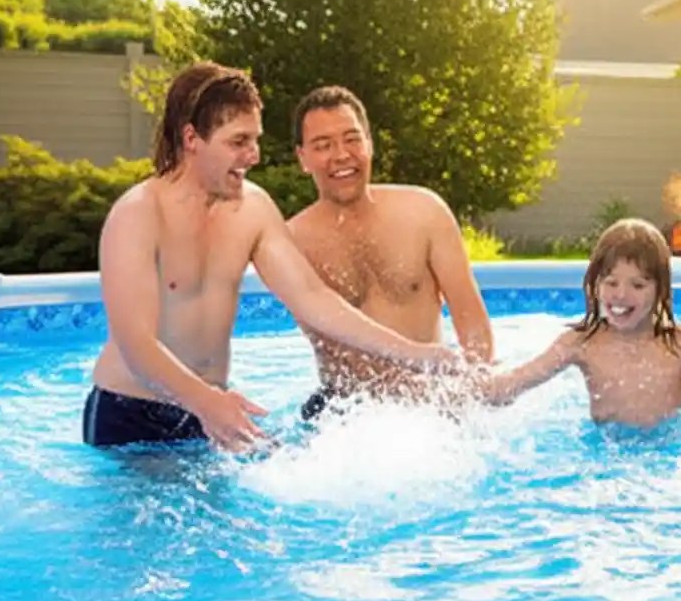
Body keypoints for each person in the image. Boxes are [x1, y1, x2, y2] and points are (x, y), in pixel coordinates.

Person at [84, 63, 459, 452]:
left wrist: (415, 353)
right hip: (130, 416)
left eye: (255, 140)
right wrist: (207, 401)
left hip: (212, 409)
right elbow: (135, 344)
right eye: (239, 141)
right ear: (192, 138)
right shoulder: (137, 214)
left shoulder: (253, 208)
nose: (255, 155)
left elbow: (313, 298)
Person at [285, 85, 494, 418]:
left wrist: (473, 391)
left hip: (429, 403)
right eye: (323, 145)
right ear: (303, 159)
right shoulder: (290, 243)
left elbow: (471, 320)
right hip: (343, 411)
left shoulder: (424, 212)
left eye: (352, 139)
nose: (341, 155)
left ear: (369, 143)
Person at [472, 218, 681, 427]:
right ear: (595, 284)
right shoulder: (581, 344)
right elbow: (510, 386)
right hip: (603, 459)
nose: (620, 296)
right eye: (610, 283)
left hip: (665, 461)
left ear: (660, 289)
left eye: (637, 285)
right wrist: (459, 390)